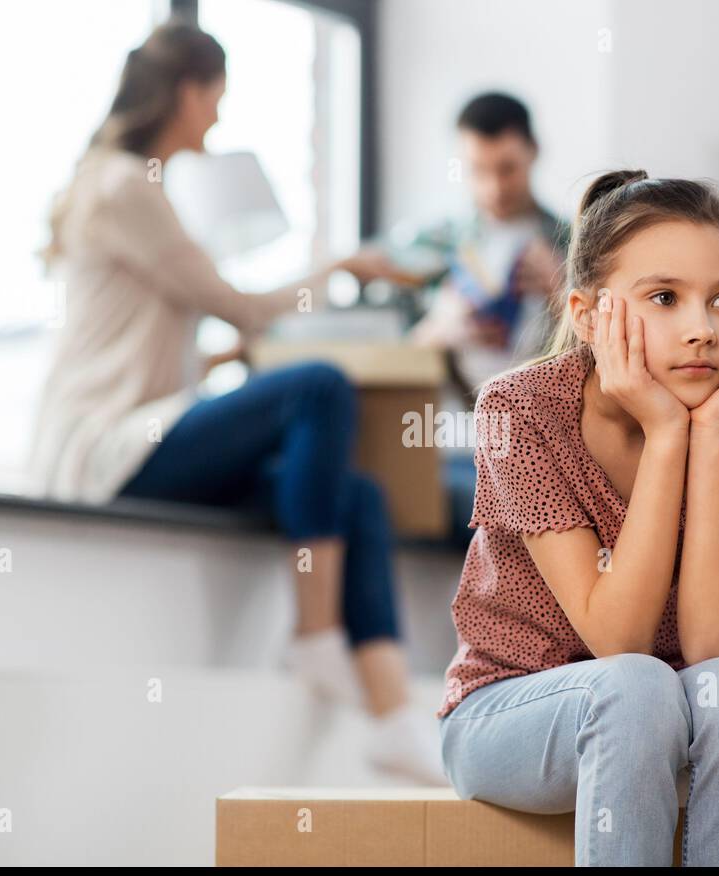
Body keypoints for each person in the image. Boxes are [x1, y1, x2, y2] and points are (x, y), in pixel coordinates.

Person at [27, 19, 445, 785]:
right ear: (189, 91)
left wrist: (219, 354)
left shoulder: (126, 185)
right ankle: (315, 633)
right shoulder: (125, 184)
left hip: (144, 428)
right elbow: (242, 307)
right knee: (321, 386)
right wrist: (343, 265)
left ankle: (390, 717)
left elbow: (161, 322)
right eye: (217, 96)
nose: (219, 115)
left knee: (355, 494)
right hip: (107, 445)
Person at [435, 171, 719, 865]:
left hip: (667, 704)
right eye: (664, 298)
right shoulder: (520, 410)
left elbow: (713, 643)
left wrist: (707, 438)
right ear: (588, 314)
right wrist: (666, 434)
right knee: (636, 686)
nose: (701, 330)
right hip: (507, 709)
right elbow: (620, 640)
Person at [381, 92, 569, 548]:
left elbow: (610, 357)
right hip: (453, 439)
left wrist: (564, 292)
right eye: (478, 171)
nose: (493, 188)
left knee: (519, 517)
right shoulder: (439, 244)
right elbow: (393, 357)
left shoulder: (575, 241)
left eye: (507, 168)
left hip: (541, 445)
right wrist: (438, 334)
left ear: (533, 152)